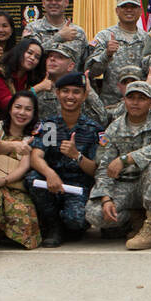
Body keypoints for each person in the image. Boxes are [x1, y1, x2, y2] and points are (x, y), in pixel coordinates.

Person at [86, 79, 151, 249]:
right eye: (131, 97)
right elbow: (104, 167)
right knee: (94, 214)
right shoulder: (114, 128)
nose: (135, 102)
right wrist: (106, 198)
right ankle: (135, 218)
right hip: (124, 184)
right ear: (124, 100)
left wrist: (126, 159)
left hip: (150, 183)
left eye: (141, 98)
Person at [29, 72, 102, 246]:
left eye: (76, 92)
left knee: (75, 222)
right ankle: (53, 225)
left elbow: (95, 169)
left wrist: (76, 155)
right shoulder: (50, 125)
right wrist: (49, 173)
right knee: (32, 178)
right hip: (52, 184)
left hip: (77, 187)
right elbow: (36, 156)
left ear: (84, 96)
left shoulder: (93, 129)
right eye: (65, 91)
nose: (70, 96)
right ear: (57, 93)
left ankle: (67, 224)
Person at [0, 90, 43, 249]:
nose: (22, 113)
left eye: (28, 109)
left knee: (24, 214)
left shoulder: (31, 137)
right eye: (18, 107)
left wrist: (4, 181)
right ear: (10, 109)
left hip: (13, 186)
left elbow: (24, 166)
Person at [86, 0, 149, 108]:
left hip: (139, 105)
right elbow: (91, 72)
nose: (129, 10)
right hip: (111, 106)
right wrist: (107, 54)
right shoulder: (104, 36)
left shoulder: (147, 39)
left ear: (140, 11)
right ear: (117, 10)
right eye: (124, 7)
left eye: (133, 7)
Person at [34, 44, 108, 124]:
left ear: (70, 66)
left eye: (60, 57)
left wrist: (89, 92)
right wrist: (37, 89)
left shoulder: (79, 89)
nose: (52, 59)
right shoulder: (38, 87)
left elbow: (102, 119)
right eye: (50, 56)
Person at [24, 0, 88, 59]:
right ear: (43, 3)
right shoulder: (32, 29)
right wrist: (58, 37)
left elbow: (85, 65)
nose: (53, 2)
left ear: (66, 2)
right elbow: (29, 58)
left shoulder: (78, 32)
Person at [0, 37, 45, 114]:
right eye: (29, 53)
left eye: (37, 57)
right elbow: (6, 104)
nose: (32, 58)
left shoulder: (30, 77)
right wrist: (35, 89)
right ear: (20, 52)